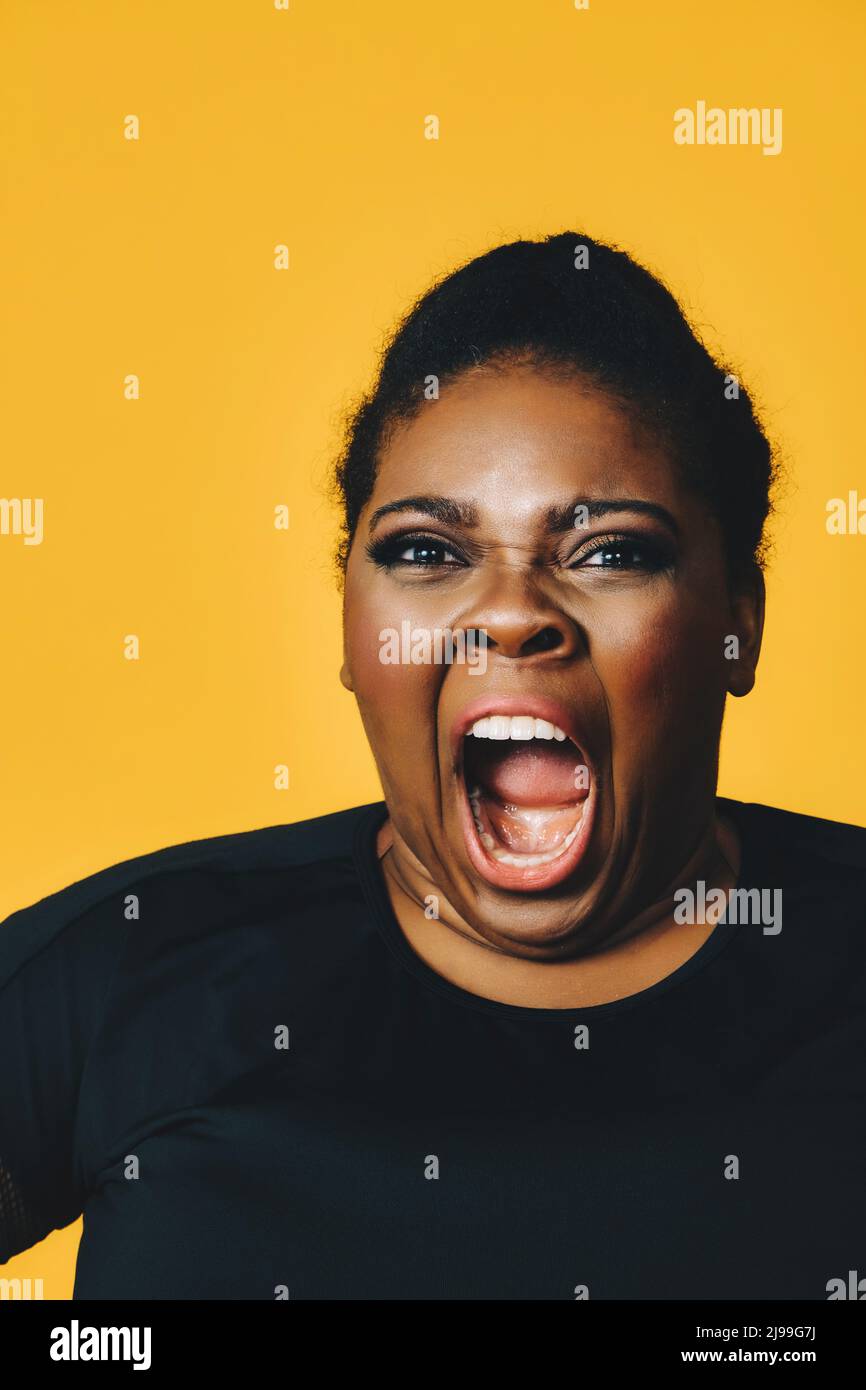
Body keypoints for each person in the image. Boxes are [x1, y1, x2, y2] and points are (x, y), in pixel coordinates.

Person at [1, 232, 864, 1300]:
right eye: (425, 551)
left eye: (609, 552)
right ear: (353, 628)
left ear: (736, 621)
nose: (508, 611)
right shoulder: (135, 975)